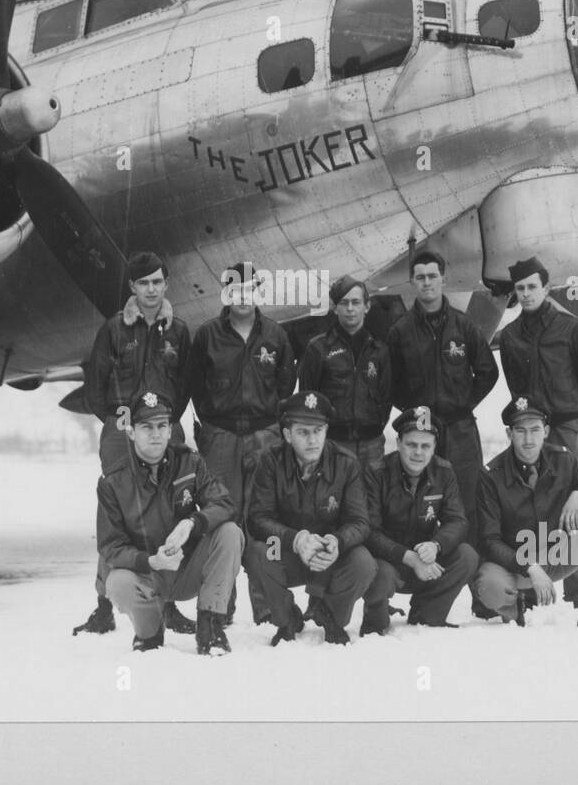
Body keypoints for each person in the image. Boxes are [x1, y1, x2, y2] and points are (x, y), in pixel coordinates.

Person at [74, 251, 194, 637]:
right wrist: (119, 420)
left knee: (169, 513)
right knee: (116, 515)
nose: (151, 290)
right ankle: (103, 605)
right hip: (121, 431)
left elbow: (186, 386)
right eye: (143, 283)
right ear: (132, 288)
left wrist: (166, 423)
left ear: (166, 283)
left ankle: (168, 603)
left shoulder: (179, 332)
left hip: (164, 431)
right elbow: (95, 388)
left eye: (157, 282)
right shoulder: (113, 330)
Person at [187, 260, 296, 624]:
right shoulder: (206, 335)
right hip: (221, 436)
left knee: (263, 518)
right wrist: (217, 423)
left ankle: (267, 606)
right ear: (226, 294)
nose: (243, 297)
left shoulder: (276, 336)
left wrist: (269, 427)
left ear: (258, 292)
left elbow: (285, 386)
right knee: (222, 518)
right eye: (235, 290)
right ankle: (221, 605)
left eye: (249, 290)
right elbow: (195, 387)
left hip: (265, 435)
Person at [97, 391, 242, 655]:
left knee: (230, 533)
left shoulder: (190, 462)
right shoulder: (113, 482)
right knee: (117, 582)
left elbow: (224, 504)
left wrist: (192, 522)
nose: (155, 434)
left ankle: (210, 626)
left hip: (187, 568)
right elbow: (110, 547)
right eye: (146, 427)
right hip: (147, 573)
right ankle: (149, 632)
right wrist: (150, 561)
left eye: (162, 426)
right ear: (131, 433)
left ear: (169, 429)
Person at [473, 395, 578, 628]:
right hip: (517, 564)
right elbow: (489, 541)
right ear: (509, 434)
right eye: (520, 431)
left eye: (534, 430)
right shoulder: (490, 476)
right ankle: (514, 610)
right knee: (490, 587)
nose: (528, 439)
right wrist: (530, 567)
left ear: (545, 431)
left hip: (558, 553)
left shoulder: (564, 459)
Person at [247, 391, 378, 645]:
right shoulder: (270, 461)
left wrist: (337, 541)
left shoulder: (346, 463)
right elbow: (258, 518)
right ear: (287, 435)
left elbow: (361, 522)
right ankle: (287, 619)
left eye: (318, 431)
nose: (312, 440)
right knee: (259, 552)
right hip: (288, 552)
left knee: (363, 562)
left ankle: (329, 613)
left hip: (330, 555)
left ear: (326, 430)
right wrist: (296, 539)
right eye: (303, 432)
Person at [386, 249, 499, 520]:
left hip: (460, 429)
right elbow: (390, 383)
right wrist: (414, 411)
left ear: (443, 280)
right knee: (420, 497)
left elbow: (488, 371)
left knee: (468, 497)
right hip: (421, 429)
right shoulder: (399, 332)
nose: (427, 282)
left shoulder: (464, 326)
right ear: (413, 282)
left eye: (432, 276)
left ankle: (468, 559)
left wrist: (464, 402)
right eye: (421, 277)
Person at [361, 407, 479, 634]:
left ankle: (427, 613)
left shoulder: (444, 472)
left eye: (426, 446)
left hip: (426, 560)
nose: (418, 452)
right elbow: (369, 531)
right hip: (390, 560)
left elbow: (457, 521)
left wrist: (436, 545)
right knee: (378, 571)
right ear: (398, 442)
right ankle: (375, 618)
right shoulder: (376, 473)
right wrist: (409, 558)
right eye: (411, 444)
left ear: (435, 447)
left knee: (466, 555)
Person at [496, 256, 578, 466]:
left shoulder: (572, 329)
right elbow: (513, 384)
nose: (526, 294)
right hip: (529, 435)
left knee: (572, 492)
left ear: (546, 289)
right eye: (520, 288)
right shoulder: (509, 336)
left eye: (532, 286)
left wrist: (570, 419)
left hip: (565, 431)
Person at [296, 275, 392, 474]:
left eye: (356, 302)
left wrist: (374, 429)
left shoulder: (379, 350)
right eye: (344, 303)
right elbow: (308, 400)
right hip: (333, 444)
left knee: (371, 502)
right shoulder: (318, 348)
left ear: (367, 307)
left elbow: (386, 396)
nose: (350, 308)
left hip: (371, 445)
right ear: (335, 308)